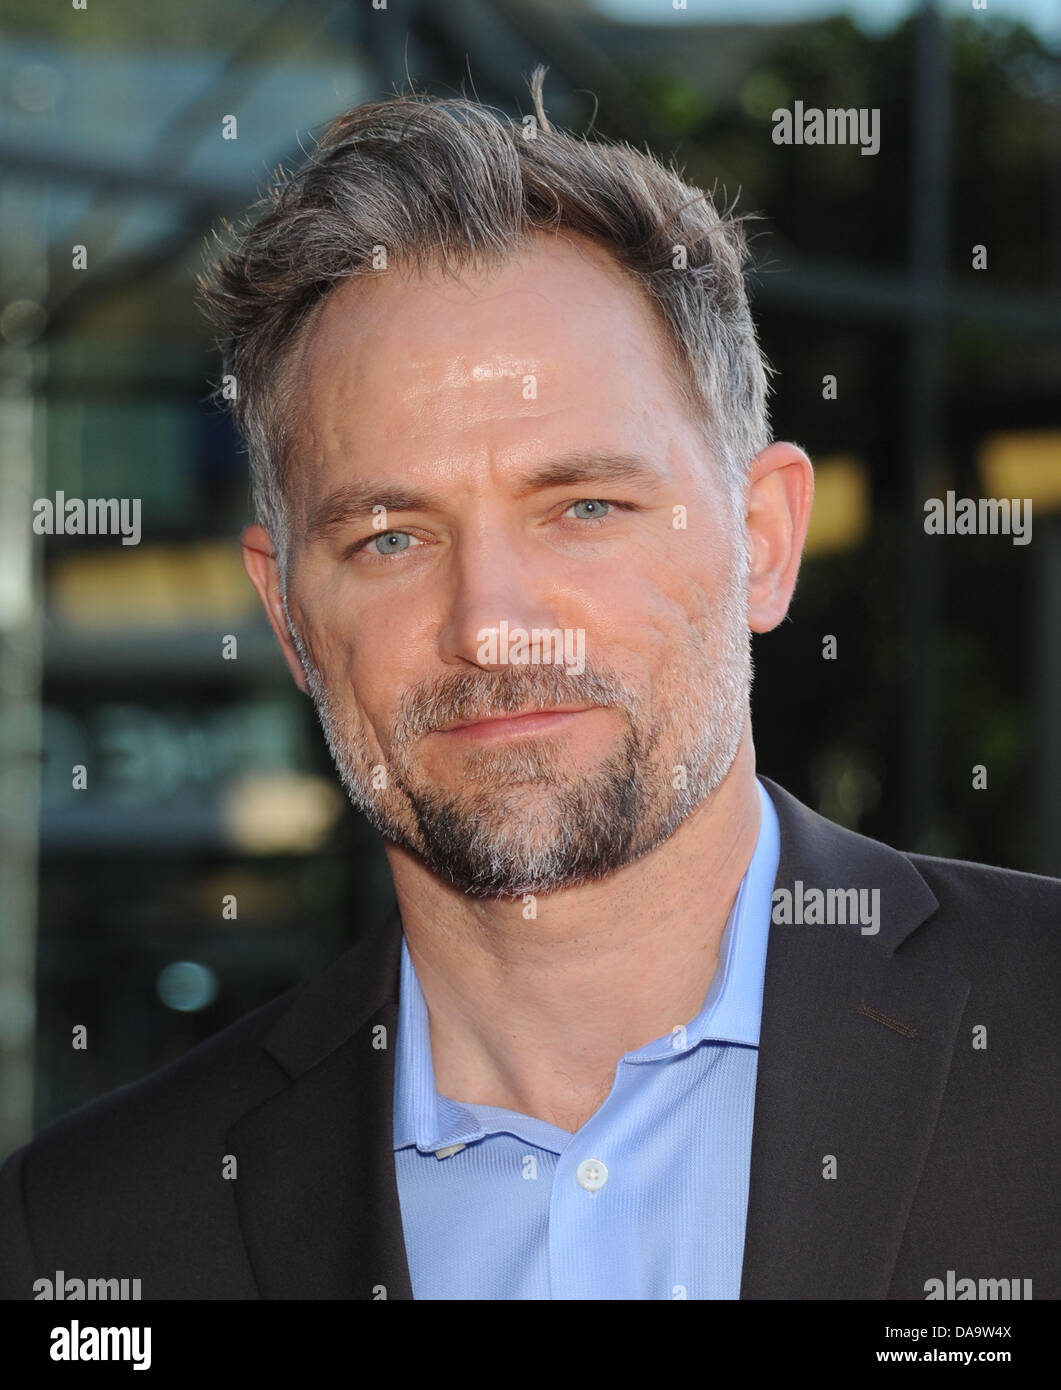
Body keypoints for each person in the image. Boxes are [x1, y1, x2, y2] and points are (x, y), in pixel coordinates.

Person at [2, 69, 1058, 1302]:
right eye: (390, 537)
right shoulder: (87, 1241)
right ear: (287, 616)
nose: (490, 626)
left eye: (584, 508)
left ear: (763, 539)